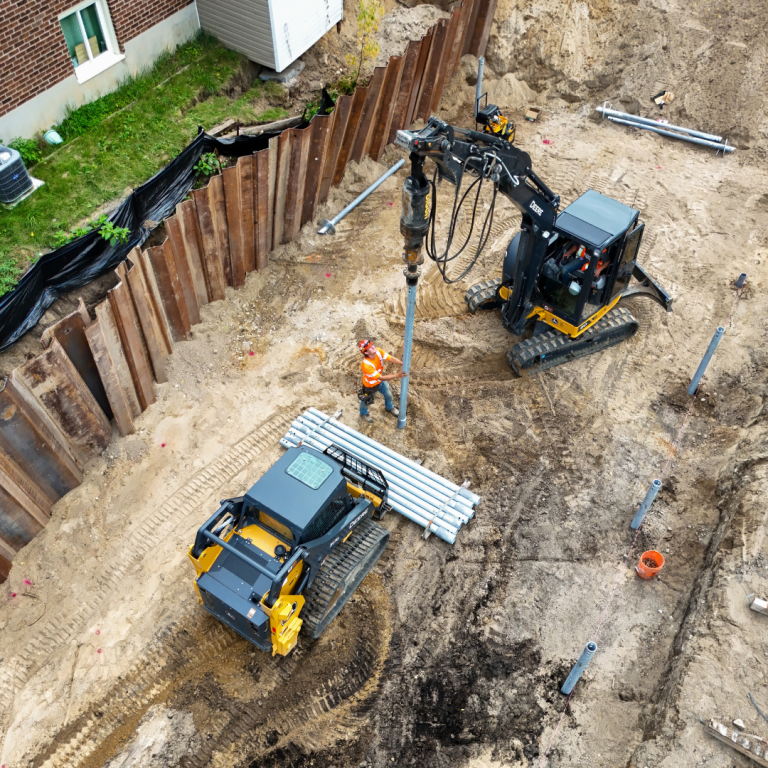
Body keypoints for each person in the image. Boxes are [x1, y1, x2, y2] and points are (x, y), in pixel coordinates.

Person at [357, 339, 407, 424]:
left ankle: (389, 408)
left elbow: (391, 358)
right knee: (367, 401)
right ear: (366, 352)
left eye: (372, 345)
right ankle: (363, 413)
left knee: (388, 395)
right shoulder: (366, 365)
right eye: (370, 347)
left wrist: (402, 363)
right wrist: (397, 375)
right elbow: (382, 378)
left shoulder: (378, 351)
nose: (373, 347)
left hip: (380, 382)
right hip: (370, 386)